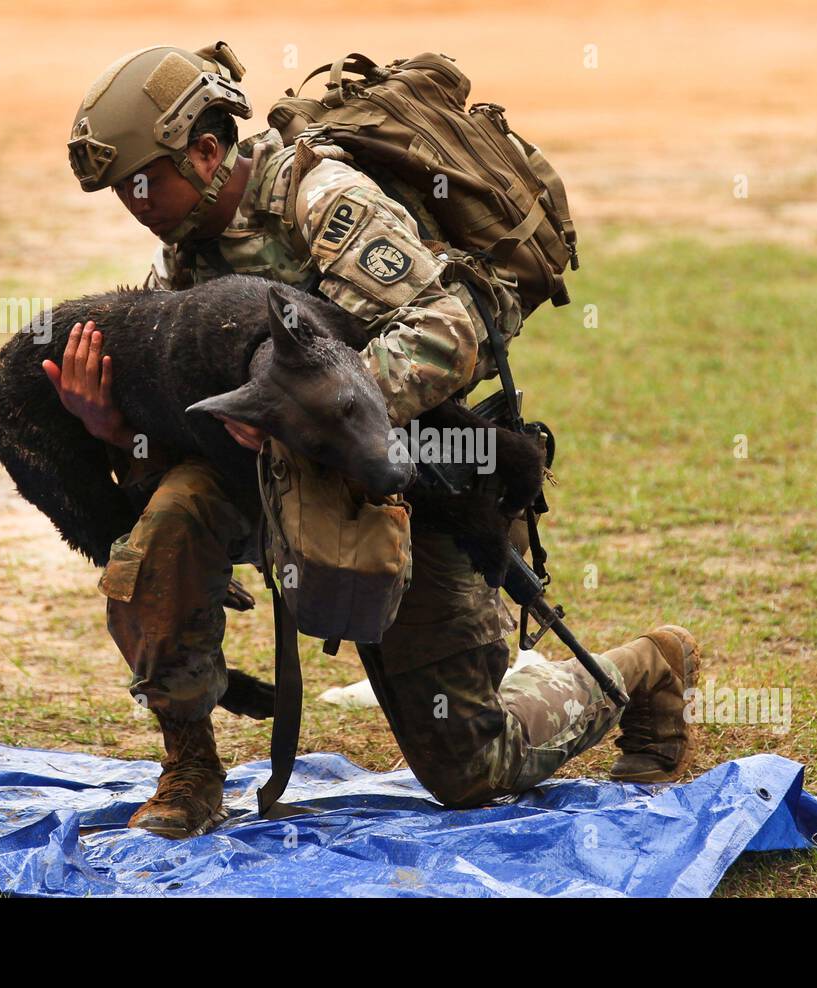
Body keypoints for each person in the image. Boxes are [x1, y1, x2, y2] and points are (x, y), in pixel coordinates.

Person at [52, 41, 701, 838]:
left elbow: (447, 331)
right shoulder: (185, 258)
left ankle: (646, 668)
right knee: (167, 525)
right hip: (280, 480)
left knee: (472, 770)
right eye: (124, 191)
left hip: (410, 476)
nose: (135, 202)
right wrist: (112, 428)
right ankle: (189, 766)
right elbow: (190, 413)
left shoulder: (321, 197)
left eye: (143, 181)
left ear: (209, 150)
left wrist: (311, 408)